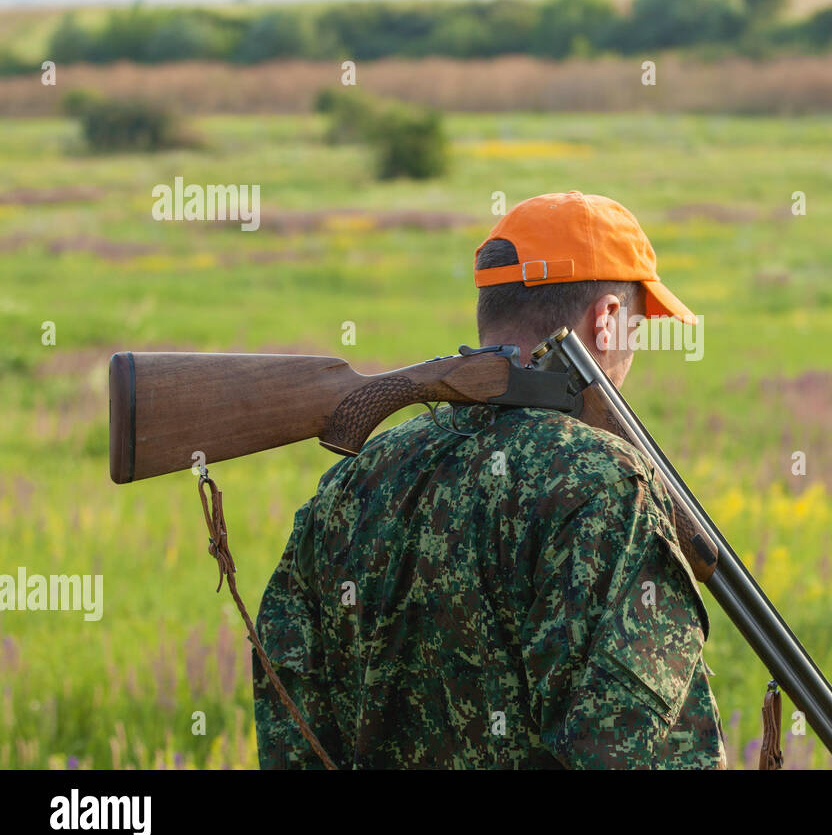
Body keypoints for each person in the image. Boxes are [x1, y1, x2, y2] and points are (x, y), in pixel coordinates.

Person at [253, 190, 725, 768]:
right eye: (635, 325)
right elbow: (635, 749)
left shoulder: (352, 483)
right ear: (605, 320)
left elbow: (289, 719)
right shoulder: (606, 490)